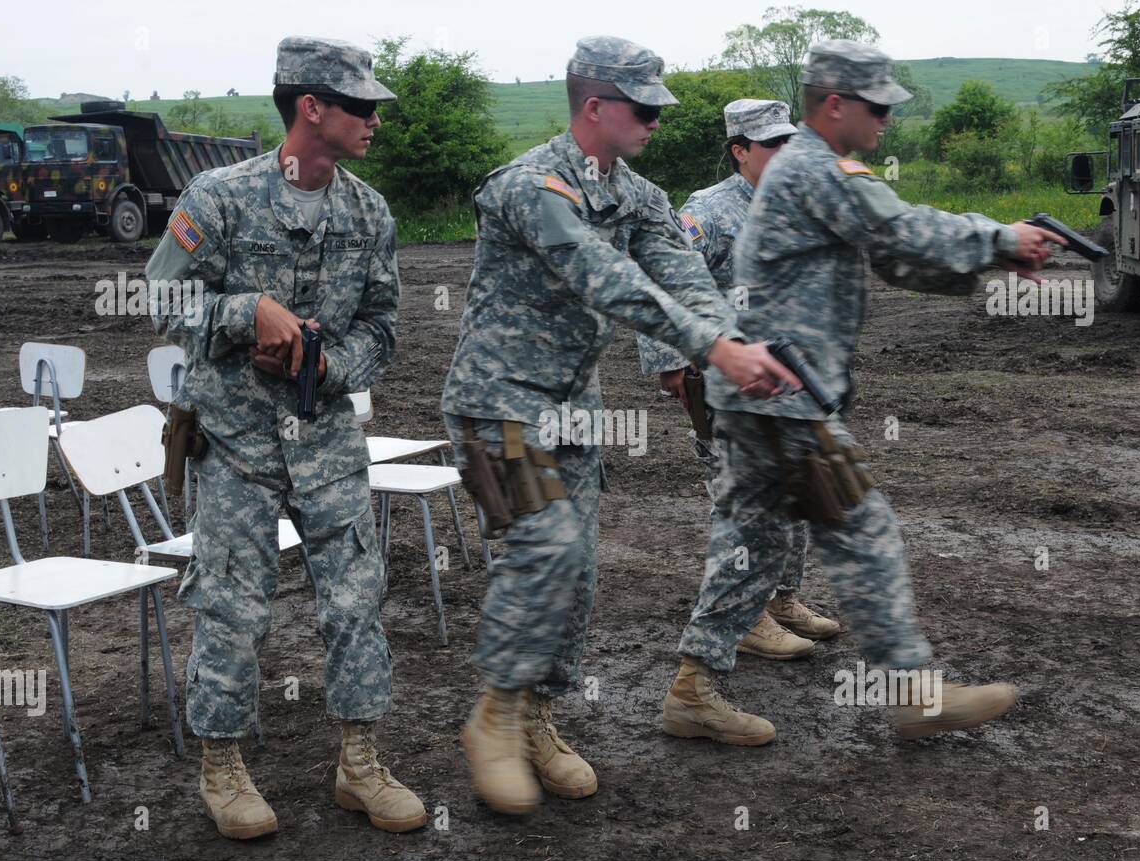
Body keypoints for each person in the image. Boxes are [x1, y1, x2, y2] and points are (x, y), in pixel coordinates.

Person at [661, 39, 1064, 746]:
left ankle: (692, 689)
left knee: (747, 541)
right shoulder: (816, 169)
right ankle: (912, 691)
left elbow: (895, 257)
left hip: (759, 394)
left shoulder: (809, 173)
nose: (885, 118)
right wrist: (999, 237)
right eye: (876, 106)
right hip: (783, 395)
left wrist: (991, 255)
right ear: (836, 105)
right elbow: (901, 227)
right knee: (863, 528)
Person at [440, 36, 800, 815]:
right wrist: (713, 347)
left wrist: (724, 338)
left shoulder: (635, 194)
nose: (658, 121)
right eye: (644, 108)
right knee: (543, 547)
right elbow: (604, 278)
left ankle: (536, 719)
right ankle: (495, 719)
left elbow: (682, 272)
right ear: (595, 106)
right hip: (498, 403)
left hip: (573, 408)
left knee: (578, 575)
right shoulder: (531, 185)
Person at [145, 35, 425, 838]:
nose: (374, 119)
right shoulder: (220, 196)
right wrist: (246, 311)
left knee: (355, 597)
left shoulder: (369, 212)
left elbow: (382, 328)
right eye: (360, 105)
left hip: (327, 438)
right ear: (311, 107)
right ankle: (223, 767)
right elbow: (159, 299)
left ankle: (360, 763)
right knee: (233, 604)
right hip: (236, 440)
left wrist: (329, 362)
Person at [636, 98, 841, 662]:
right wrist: (670, 365)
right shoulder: (709, 211)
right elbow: (660, 283)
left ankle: (780, 599)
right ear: (740, 151)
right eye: (772, 144)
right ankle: (744, 617)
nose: (785, 152)